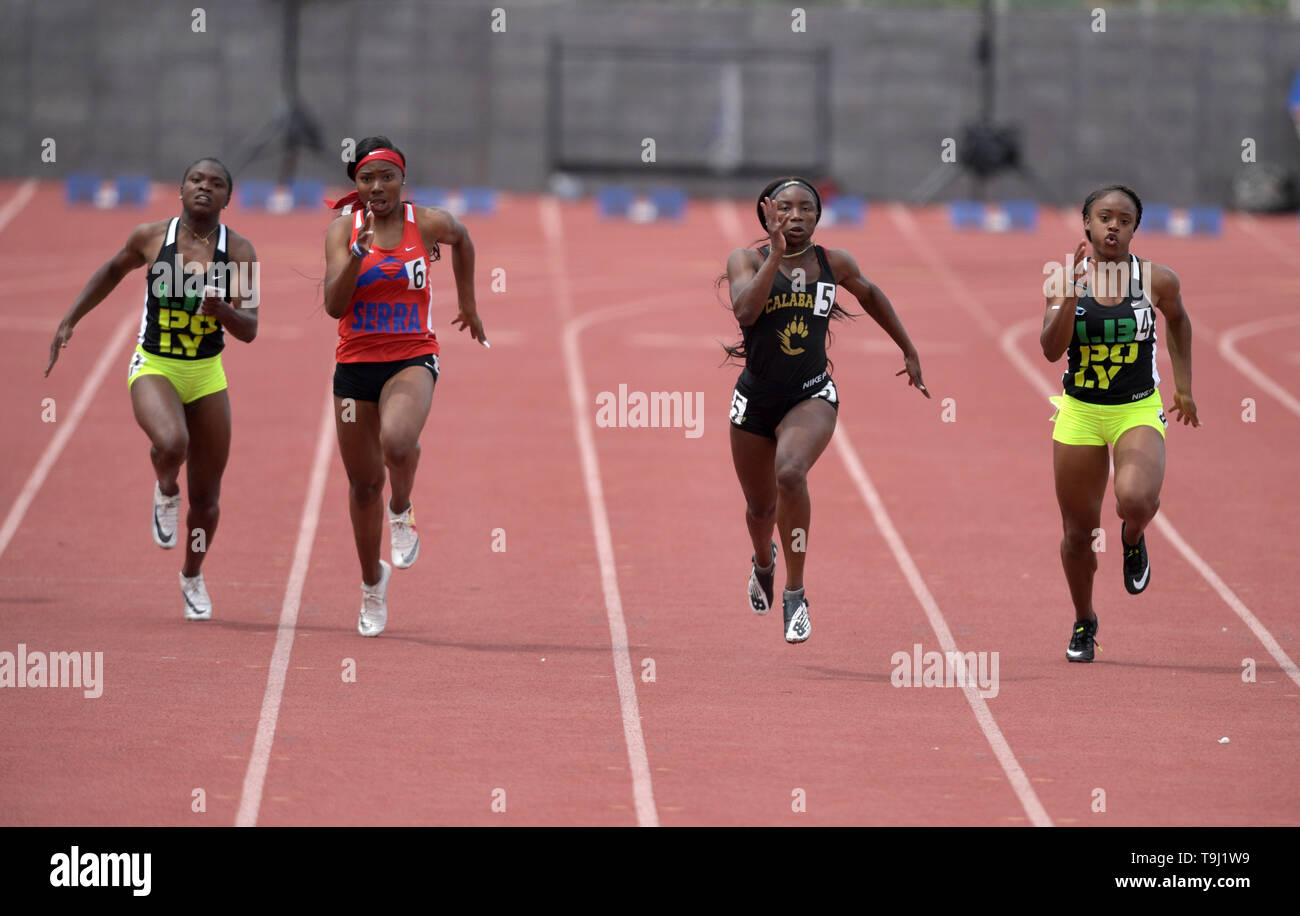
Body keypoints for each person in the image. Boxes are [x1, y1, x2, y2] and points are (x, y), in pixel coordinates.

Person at [46, 158, 259, 620]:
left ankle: (191, 574)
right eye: (196, 180)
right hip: (156, 363)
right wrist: (70, 319)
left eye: (216, 183)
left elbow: (250, 328)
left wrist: (221, 308)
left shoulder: (239, 251)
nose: (205, 187)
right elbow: (110, 271)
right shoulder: (149, 237)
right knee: (171, 442)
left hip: (206, 373)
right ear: (180, 190)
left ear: (227, 198)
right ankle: (165, 486)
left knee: (206, 499)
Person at [723, 177, 928, 644]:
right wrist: (774, 254)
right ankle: (763, 561)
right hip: (754, 400)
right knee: (759, 509)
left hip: (811, 394)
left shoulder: (834, 262)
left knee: (791, 473)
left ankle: (795, 592)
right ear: (767, 212)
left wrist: (908, 349)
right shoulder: (747, 260)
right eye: (787, 209)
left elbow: (870, 294)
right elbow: (744, 311)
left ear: (818, 216)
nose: (797, 217)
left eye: (807, 209)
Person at [322, 136, 486, 637]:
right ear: (357, 185)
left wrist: (469, 303)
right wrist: (356, 255)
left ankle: (402, 508)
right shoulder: (341, 231)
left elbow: (463, 238)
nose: (377, 187)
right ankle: (373, 584)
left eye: (386, 177)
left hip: (413, 354)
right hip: (355, 365)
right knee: (363, 484)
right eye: (367, 179)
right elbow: (333, 305)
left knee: (397, 442)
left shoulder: (427, 223)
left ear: (402, 180)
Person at [1040, 184, 1200, 663]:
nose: (1113, 226)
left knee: (1135, 499)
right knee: (1078, 534)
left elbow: (1179, 321)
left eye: (1124, 220)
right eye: (1104, 217)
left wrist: (1184, 387)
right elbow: (1050, 349)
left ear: (1134, 228)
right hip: (1081, 411)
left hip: (1136, 406)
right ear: (1086, 223)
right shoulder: (1062, 280)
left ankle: (1133, 537)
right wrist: (1069, 294)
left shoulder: (1157, 280)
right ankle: (1084, 620)